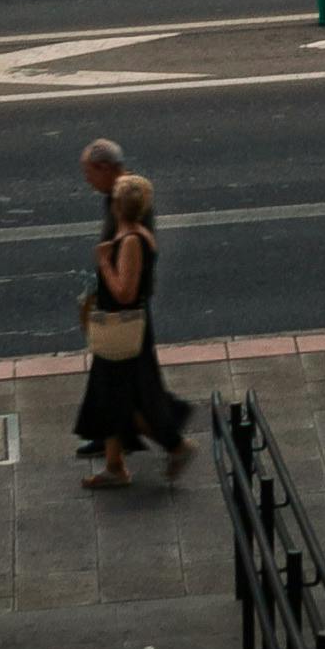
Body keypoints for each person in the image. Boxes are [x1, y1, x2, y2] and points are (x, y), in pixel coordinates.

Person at [74, 167, 194, 483]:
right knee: (109, 397)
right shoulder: (132, 233)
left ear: (118, 205)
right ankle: (115, 465)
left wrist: (104, 262)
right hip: (122, 329)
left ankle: (176, 445)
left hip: (123, 330)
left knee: (123, 401)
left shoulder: (131, 241)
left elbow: (125, 293)